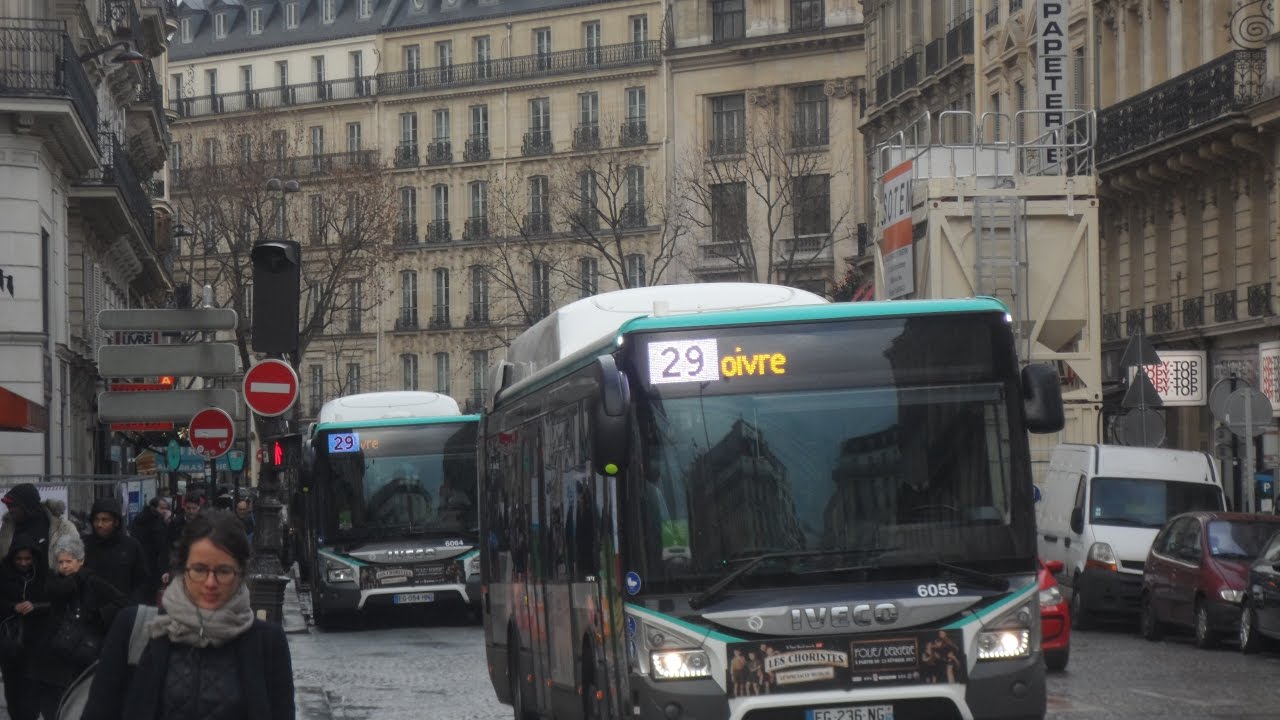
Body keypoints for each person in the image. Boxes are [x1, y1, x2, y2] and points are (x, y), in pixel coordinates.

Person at [83, 510, 296, 720]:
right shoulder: (136, 628)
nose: (210, 582)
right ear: (183, 568)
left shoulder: (267, 642)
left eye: (223, 571)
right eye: (199, 569)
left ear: (240, 573)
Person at [32, 535, 125, 720]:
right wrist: (79, 578)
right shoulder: (54, 581)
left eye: (69, 561)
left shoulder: (93, 582)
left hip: (81, 655)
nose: (64, 566)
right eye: (61, 562)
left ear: (80, 561)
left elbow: (121, 601)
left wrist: (99, 616)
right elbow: (59, 590)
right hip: (55, 656)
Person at [0, 534, 48, 720]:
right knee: (13, 688)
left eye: (27, 559)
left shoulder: (43, 575)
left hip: (36, 640)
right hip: (10, 640)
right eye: (19, 559)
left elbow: (53, 602)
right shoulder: (3, 573)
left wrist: (35, 606)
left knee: (32, 688)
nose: (23, 563)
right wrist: (13, 606)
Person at [83, 496, 151, 605]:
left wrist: (131, 606)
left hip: (122, 611)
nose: (99, 525)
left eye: (105, 520)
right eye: (96, 520)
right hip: (91, 612)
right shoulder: (84, 545)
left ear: (116, 522)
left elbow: (142, 581)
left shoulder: (131, 546)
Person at [0, 484, 79, 567]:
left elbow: (75, 559)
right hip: (16, 579)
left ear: (27, 506)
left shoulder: (63, 528)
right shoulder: (7, 528)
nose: (10, 510)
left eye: (14, 506)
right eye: (8, 506)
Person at [129, 497, 172, 603]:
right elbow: (160, 542)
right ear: (153, 508)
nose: (164, 511)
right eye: (161, 508)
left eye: (166, 508)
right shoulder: (151, 521)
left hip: (152, 563)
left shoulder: (154, 519)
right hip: (149, 563)